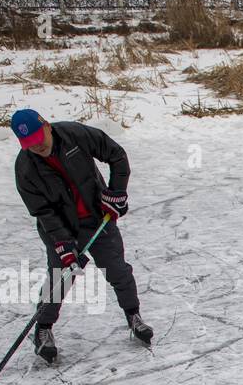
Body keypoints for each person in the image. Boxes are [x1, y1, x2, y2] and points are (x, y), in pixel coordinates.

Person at [11, 109, 152, 364]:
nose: (38, 147)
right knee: (60, 278)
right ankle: (43, 329)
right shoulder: (25, 170)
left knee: (117, 269)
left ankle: (134, 315)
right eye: (30, 144)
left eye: (38, 138)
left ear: (46, 125)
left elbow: (117, 155)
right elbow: (42, 211)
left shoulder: (74, 134)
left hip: (97, 218)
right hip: (59, 228)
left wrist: (116, 193)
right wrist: (63, 244)